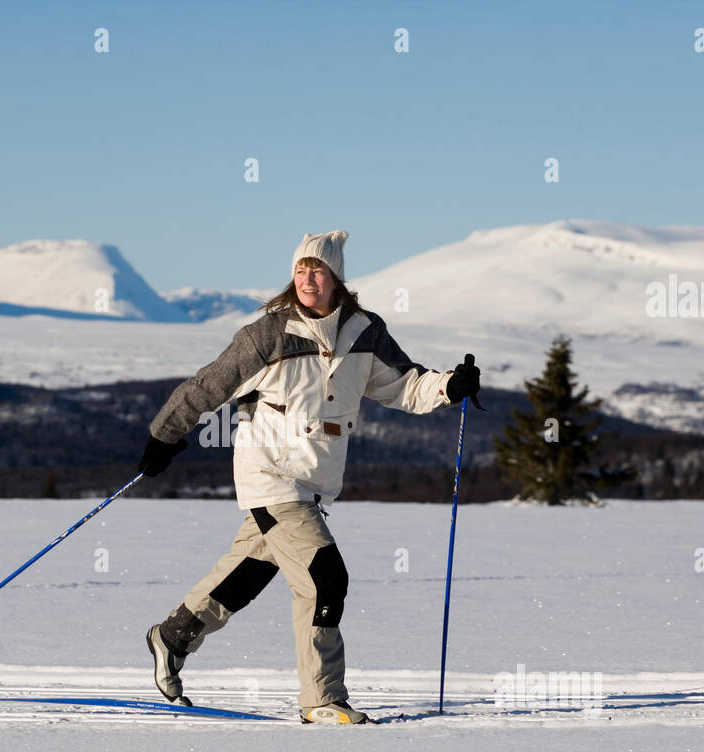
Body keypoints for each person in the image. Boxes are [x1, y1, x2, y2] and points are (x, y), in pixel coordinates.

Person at [137, 230, 482, 724]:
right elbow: (206, 386)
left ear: (337, 278)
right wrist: (166, 434)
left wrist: (449, 385)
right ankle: (321, 699)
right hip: (270, 476)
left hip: (316, 481)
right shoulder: (266, 335)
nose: (307, 277)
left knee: (248, 572)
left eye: (317, 269)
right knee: (325, 578)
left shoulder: (364, 331)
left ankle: (172, 636)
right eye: (300, 269)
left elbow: (402, 384)